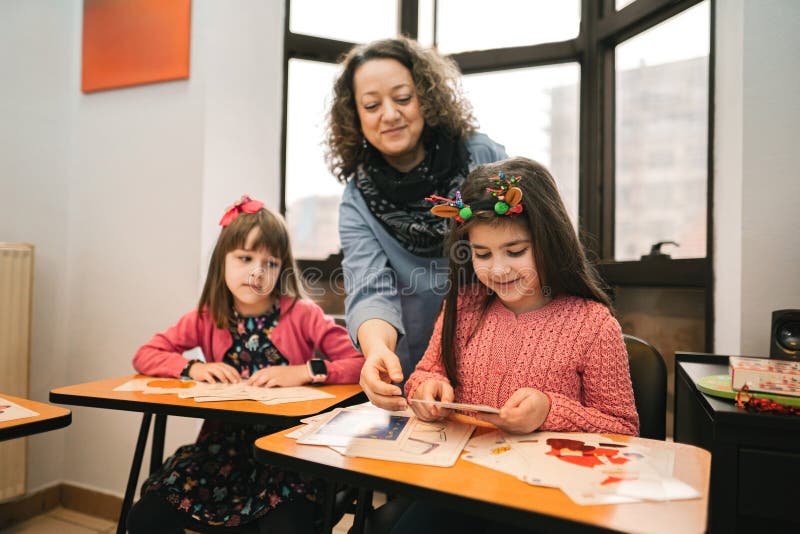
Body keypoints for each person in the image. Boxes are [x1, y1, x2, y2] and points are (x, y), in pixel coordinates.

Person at [392, 157, 639, 533]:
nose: (499, 270)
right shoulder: (463, 305)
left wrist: (549, 411)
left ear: (549, 241)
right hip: (458, 483)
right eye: (482, 254)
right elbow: (426, 373)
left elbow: (623, 430)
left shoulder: (592, 324)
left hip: (544, 496)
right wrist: (426, 389)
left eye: (516, 250)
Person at [126, 195, 364, 534]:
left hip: (287, 453)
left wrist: (304, 371)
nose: (257, 272)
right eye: (245, 258)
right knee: (146, 517)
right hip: (220, 451)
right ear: (221, 261)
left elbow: (359, 362)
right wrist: (191, 368)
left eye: (270, 263)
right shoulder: (207, 317)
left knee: (287, 527)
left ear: (282, 268)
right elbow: (146, 353)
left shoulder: (302, 314)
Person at [326, 37, 508, 411]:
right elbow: (369, 287)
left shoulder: (482, 157)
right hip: (415, 369)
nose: (389, 114)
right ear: (356, 118)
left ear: (426, 97)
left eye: (403, 98)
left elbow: (523, 252)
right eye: (372, 105)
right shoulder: (357, 199)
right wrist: (377, 350)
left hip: (498, 353)